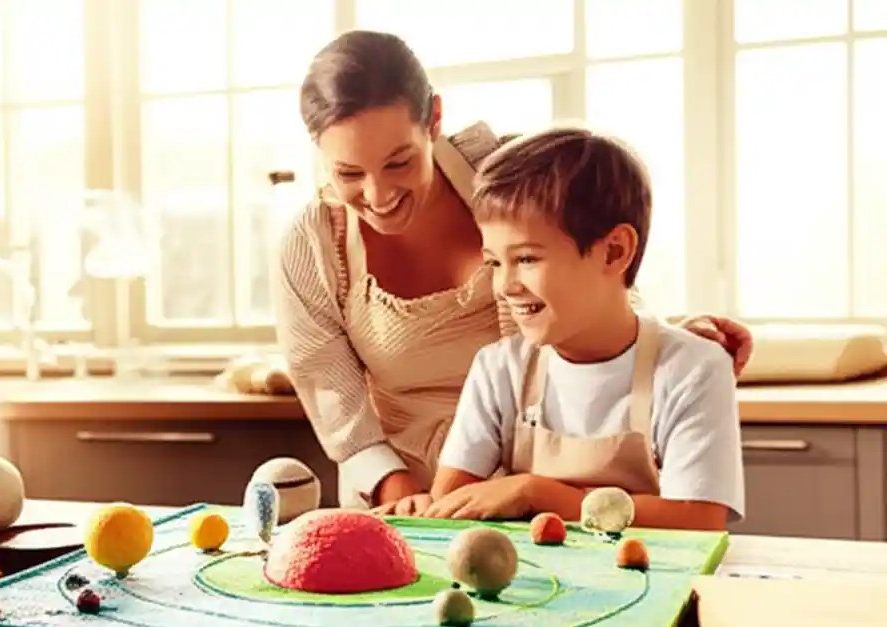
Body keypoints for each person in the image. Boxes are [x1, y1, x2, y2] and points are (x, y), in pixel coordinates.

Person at [274, 29, 753, 512]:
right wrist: (412, 503)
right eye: (349, 173)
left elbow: (593, 274)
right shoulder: (314, 243)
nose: (377, 196)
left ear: (434, 120)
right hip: (411, 491)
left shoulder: (512, 179)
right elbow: (336, 404)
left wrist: (665, 348)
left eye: (399, 162)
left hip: (554, 494)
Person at [401, 125, 745, 530]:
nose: (504, 286)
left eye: (527, 259)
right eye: (494, 262)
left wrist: (538, 493)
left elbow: (698, 520)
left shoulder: (693, 368)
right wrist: (424, 511)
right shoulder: (499, 370)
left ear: (615, 251)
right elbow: (452, 501)